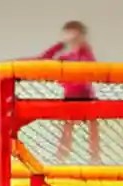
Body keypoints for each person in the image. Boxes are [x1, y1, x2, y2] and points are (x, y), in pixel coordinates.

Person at [36, 20, 100, 162]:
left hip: (87, 97)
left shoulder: (85, 54)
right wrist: (60, 45)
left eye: (77, 38)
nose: (74, 41)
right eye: (71, 38)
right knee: (66, 130)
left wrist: (83, 47)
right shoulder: (64, 58)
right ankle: (61, 158)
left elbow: (90, 66)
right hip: (70, 97)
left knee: (93, 130)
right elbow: (43, 60)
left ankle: (95, 158)